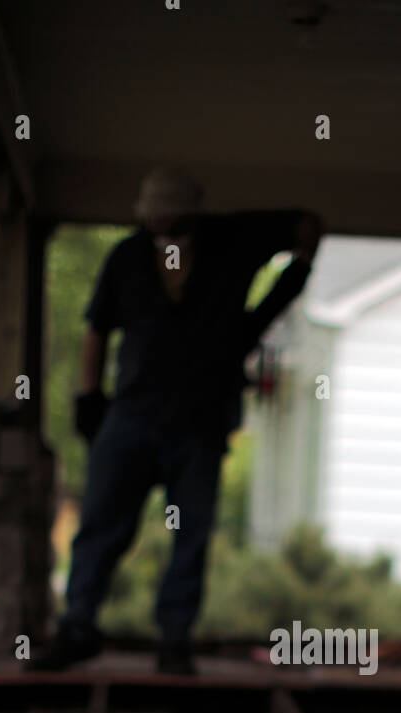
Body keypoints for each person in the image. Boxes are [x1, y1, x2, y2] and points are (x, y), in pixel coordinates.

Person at [34, 167, 322, 673]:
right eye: (152, 217)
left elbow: (307, 226)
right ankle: (78, 627)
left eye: (167, 215)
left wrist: (275, 300)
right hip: (131, 413)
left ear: (190, 211)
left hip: (201, 419)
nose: (158, 224)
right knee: (100, 523)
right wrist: (88, 396)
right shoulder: (127, 256)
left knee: (191, 532)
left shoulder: (233, 240)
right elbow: (96, 330)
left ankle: (174, 641)